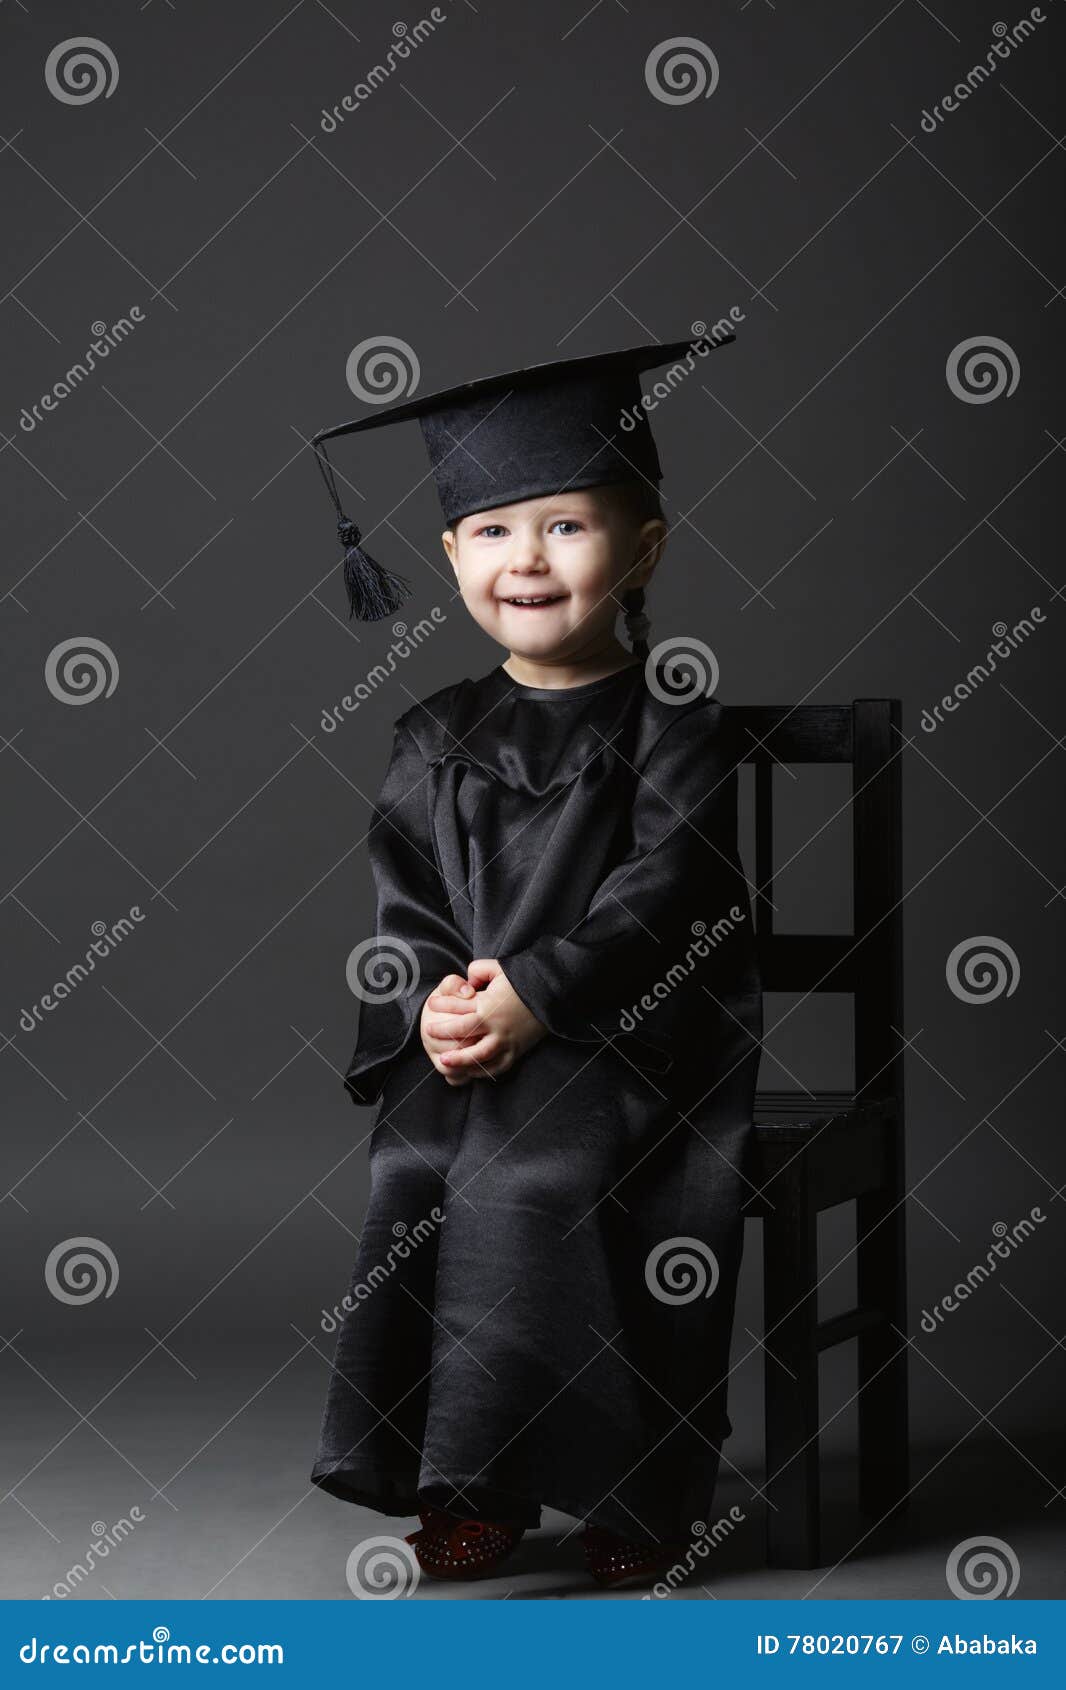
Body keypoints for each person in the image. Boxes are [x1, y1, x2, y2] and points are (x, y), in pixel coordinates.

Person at [307, 339, 763, 1590]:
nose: (527, 559)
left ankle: (636, 1491)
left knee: (535, 1176)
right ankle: (471, 1481)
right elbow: (404, 901)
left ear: (643, 549)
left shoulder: (675, 725)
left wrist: (541, 994)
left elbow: (667, 896)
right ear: (453, 556)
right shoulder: (432, 733)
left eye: (566, 525)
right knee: (412, 1167)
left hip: (630, 1042)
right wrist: (436, 1004)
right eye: (493, 530)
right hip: (474, 1049)